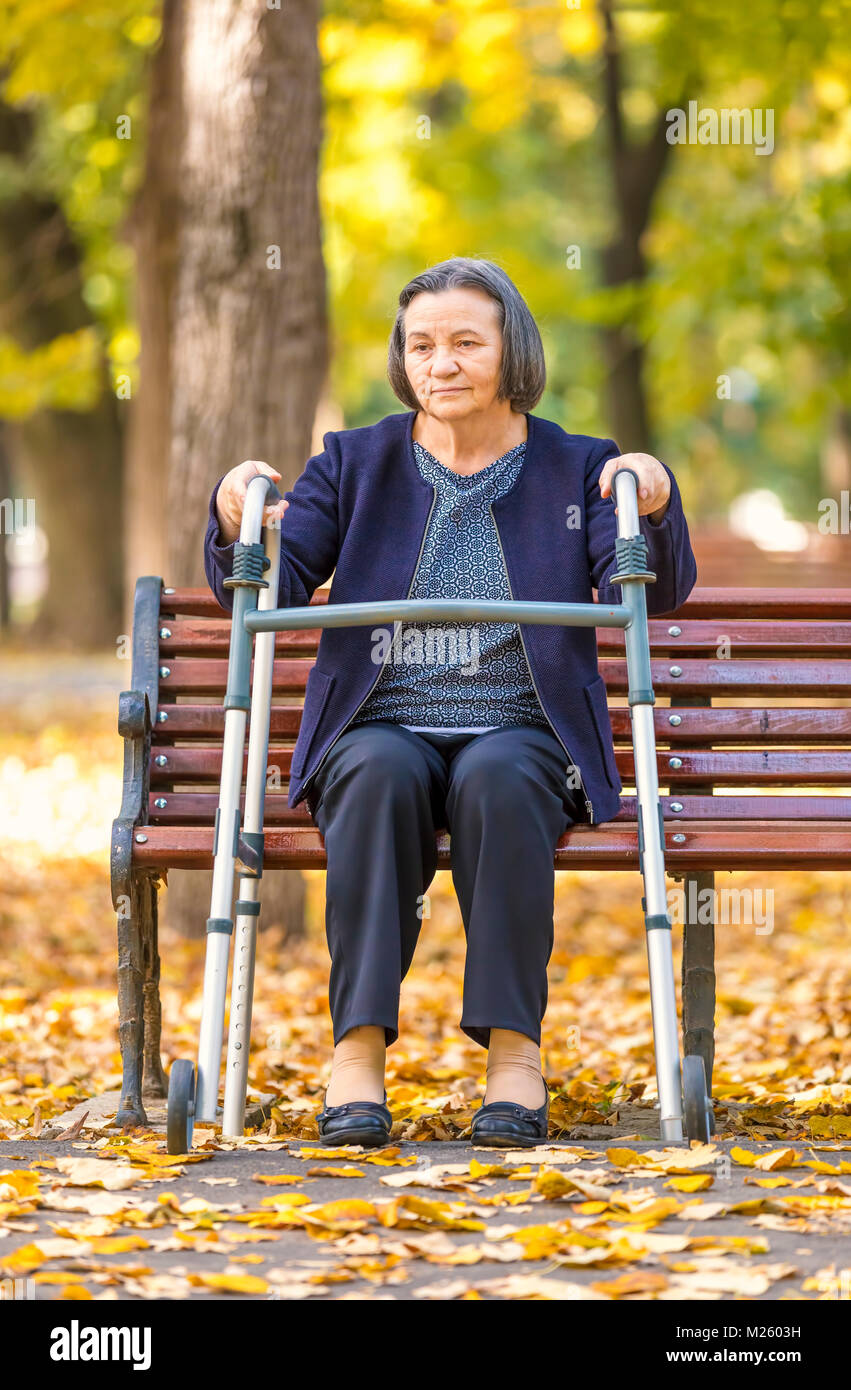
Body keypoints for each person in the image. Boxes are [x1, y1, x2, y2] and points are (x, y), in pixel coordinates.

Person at [204, 256, 697, 1148]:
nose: (441, 363)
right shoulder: (353, 463)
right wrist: (238, 511)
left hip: (520, 726)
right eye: (421, 345)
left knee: (502, 778)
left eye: (466, 342)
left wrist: (649, 505)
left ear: (512, 353)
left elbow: (652, 595)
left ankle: (514, 1059)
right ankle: (355, 1055)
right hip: (382, 720)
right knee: (374, 771)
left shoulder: (579, 469)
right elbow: (266, 579)